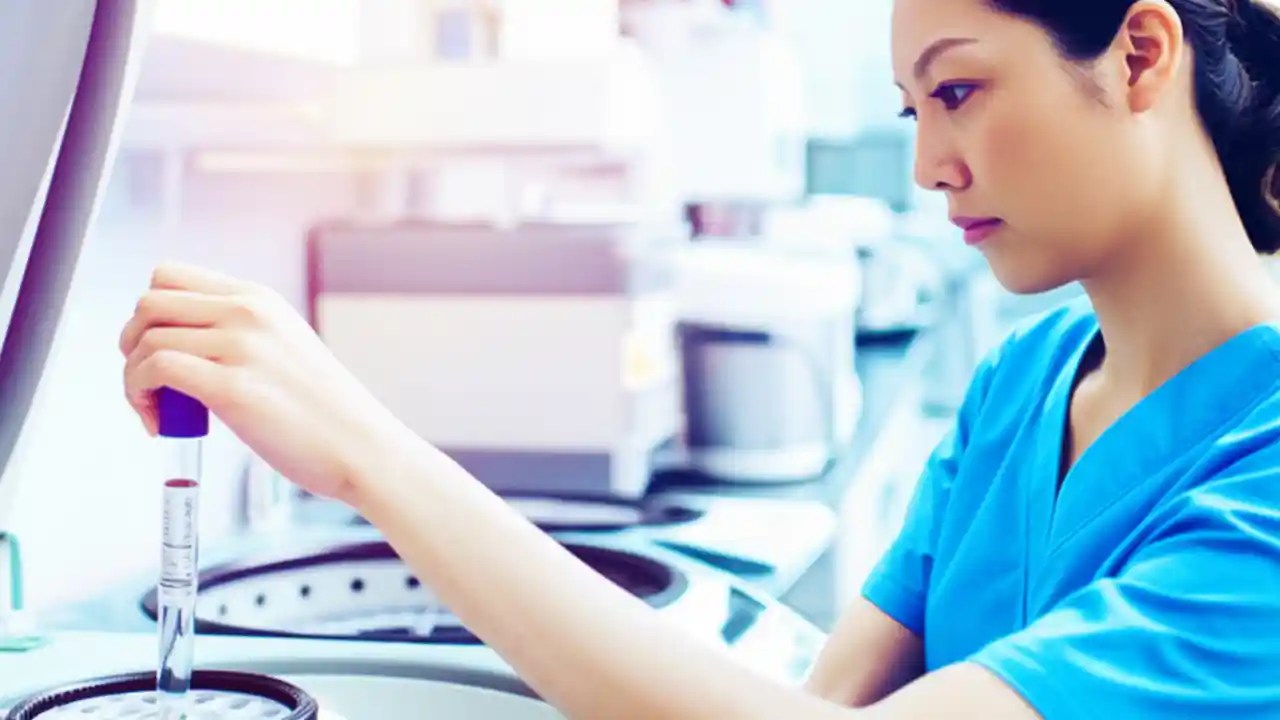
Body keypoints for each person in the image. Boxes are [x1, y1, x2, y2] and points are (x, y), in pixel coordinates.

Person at [119, 0, 1280, 717]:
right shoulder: (1017, 387)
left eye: (958, 92)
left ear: (1137, 55)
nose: (928, 163)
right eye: (910, 113)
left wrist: (369, 456)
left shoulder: (1261, 471)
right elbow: (805, 702)